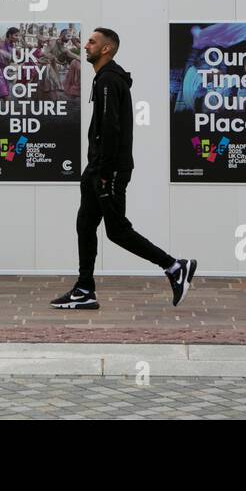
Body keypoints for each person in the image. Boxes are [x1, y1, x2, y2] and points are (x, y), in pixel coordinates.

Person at [52, 27, 196, 311]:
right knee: (85, 224)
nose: (85, 46)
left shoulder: (108, 80)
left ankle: (174, 266)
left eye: (92, 42)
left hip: (108, 171)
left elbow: (110, 128)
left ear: (107, 49)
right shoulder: (106, 79)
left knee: (117, 230)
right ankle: (84, 289)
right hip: (99, 168)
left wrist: (103, 173)